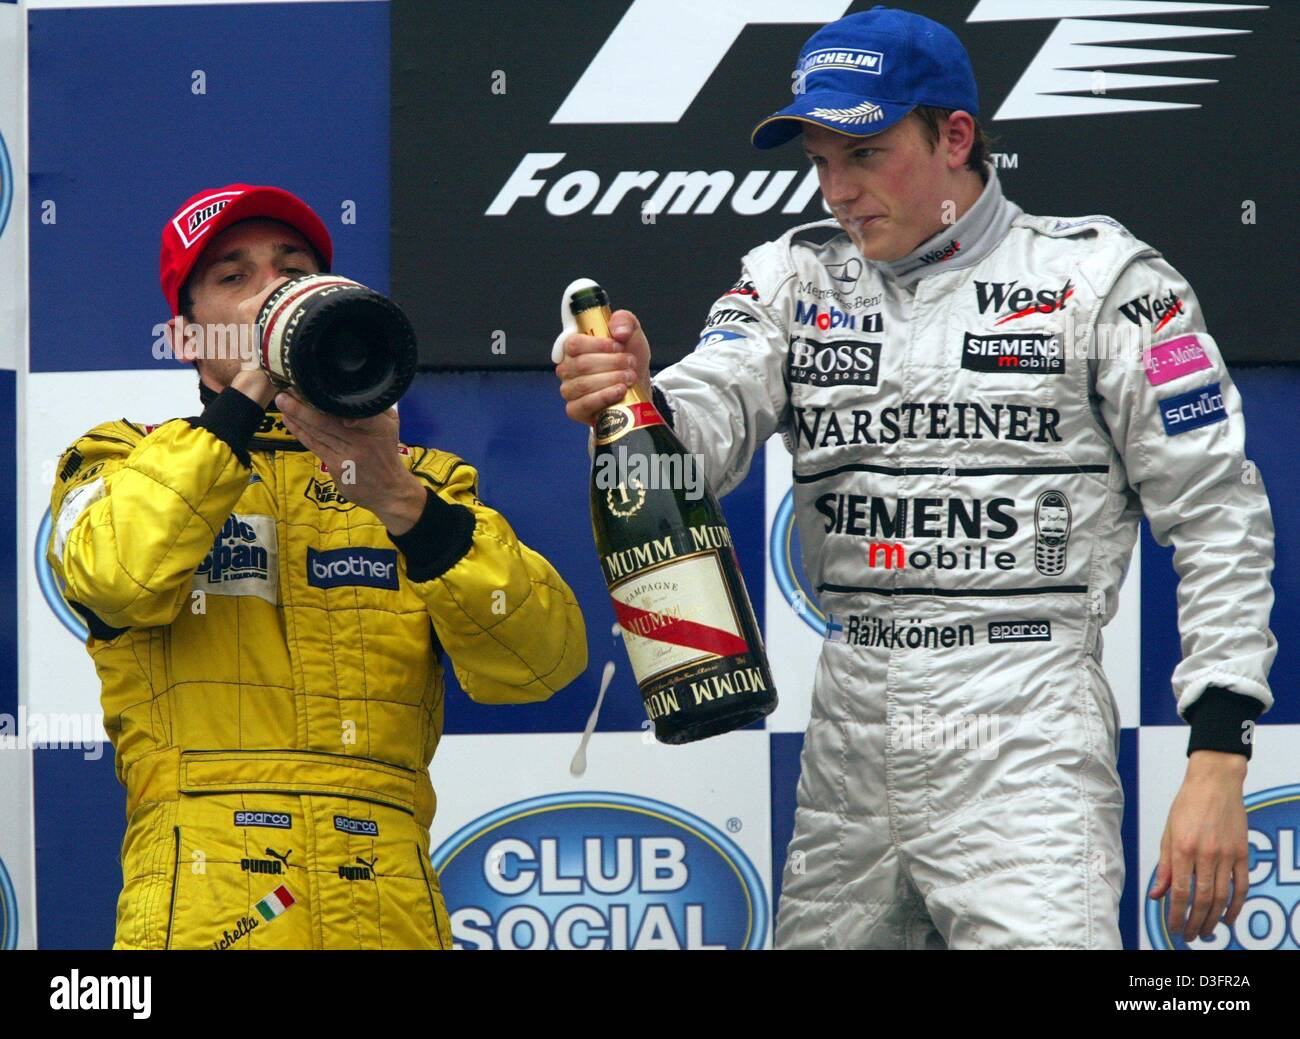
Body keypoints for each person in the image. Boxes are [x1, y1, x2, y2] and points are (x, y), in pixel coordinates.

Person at [555, 6, 1275, 949]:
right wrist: (635, 395)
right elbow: (704, 432)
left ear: (956, 137)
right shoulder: (792, 278)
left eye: (864, 154)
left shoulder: (1103, 280)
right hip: (850, 715)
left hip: (1026, 716)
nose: (838, 191)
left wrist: (1218, 756)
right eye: (819, 162)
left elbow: (1218, 515)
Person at [48, 183, 588, 950]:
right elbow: (117, 576)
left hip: (387, 897)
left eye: (290, 269)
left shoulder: (423, 478)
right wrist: (246, 395)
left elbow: (542, 663)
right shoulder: (120, 457)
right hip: (210, 900)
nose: (270, 288)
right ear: (185, 335)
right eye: (234, 278)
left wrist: (400, 500)